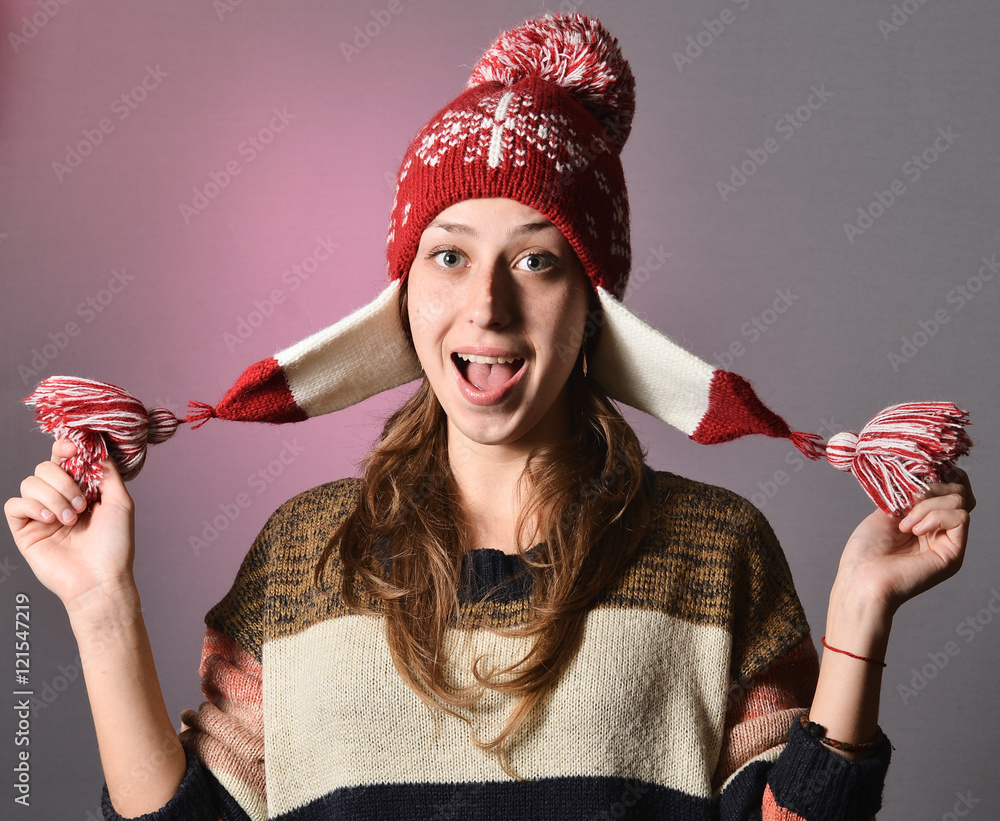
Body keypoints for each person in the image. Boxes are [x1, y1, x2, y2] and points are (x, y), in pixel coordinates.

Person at [5, 13, 974, 821]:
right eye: (449, 253)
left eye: (537, 258)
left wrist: (860, 611)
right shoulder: (303, 555)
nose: (487, 310)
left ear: (597, 303)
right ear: (402, 294)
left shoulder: (715, 551)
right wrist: (99, 605)